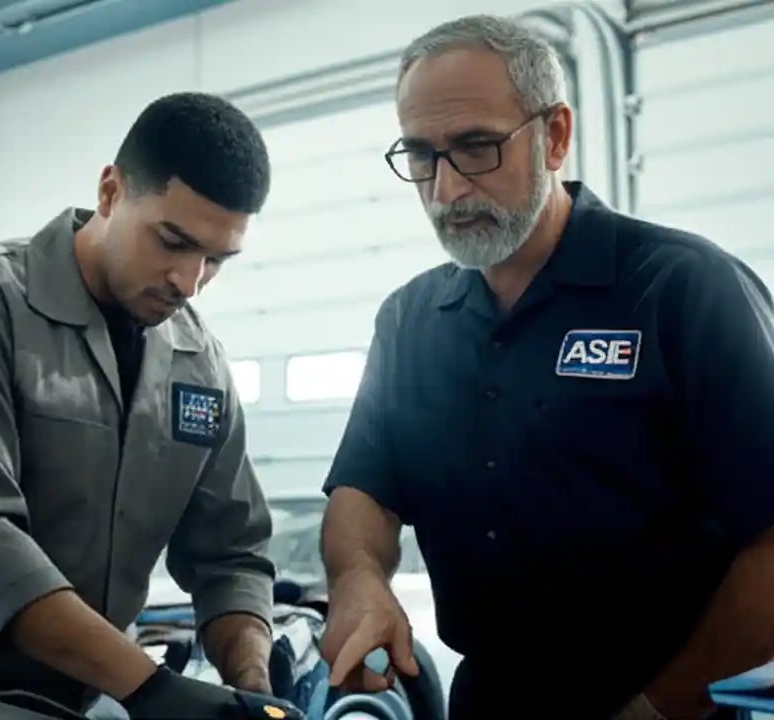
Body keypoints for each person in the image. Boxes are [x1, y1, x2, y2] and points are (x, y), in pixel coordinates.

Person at [317, 14, 774, 720]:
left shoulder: (680, 289)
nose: (445, 191)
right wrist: (358, 578)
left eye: (475, 148)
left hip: (683, 699)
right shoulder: (409, 322)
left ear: (555, 135)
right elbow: (365, 490)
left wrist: (654, 711)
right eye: (420, 155)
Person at [0, 91, 304, 720]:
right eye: (172, 241)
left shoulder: (202, 363)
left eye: (216, 259)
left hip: (99, 689)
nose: (189, 283)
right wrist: (154, 691)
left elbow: (231, 553)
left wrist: (251, 685)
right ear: (110, 192)